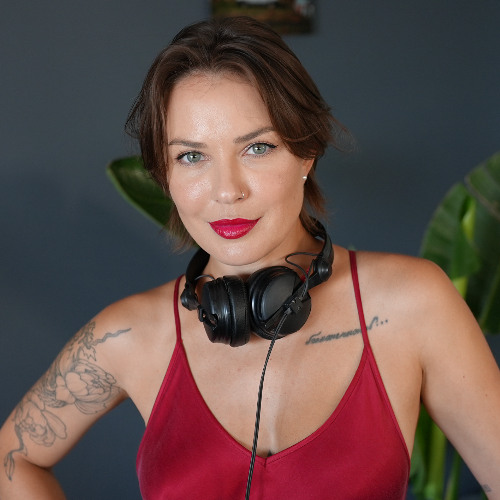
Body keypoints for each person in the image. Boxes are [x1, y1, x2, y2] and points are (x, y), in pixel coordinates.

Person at [1, 15, 499, 500]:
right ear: (165, 175)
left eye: (257, 148)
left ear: (306, 152)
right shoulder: (127, 336)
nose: (226, 191)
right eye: (191, 156)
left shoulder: (412, 305)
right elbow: (13, 461)